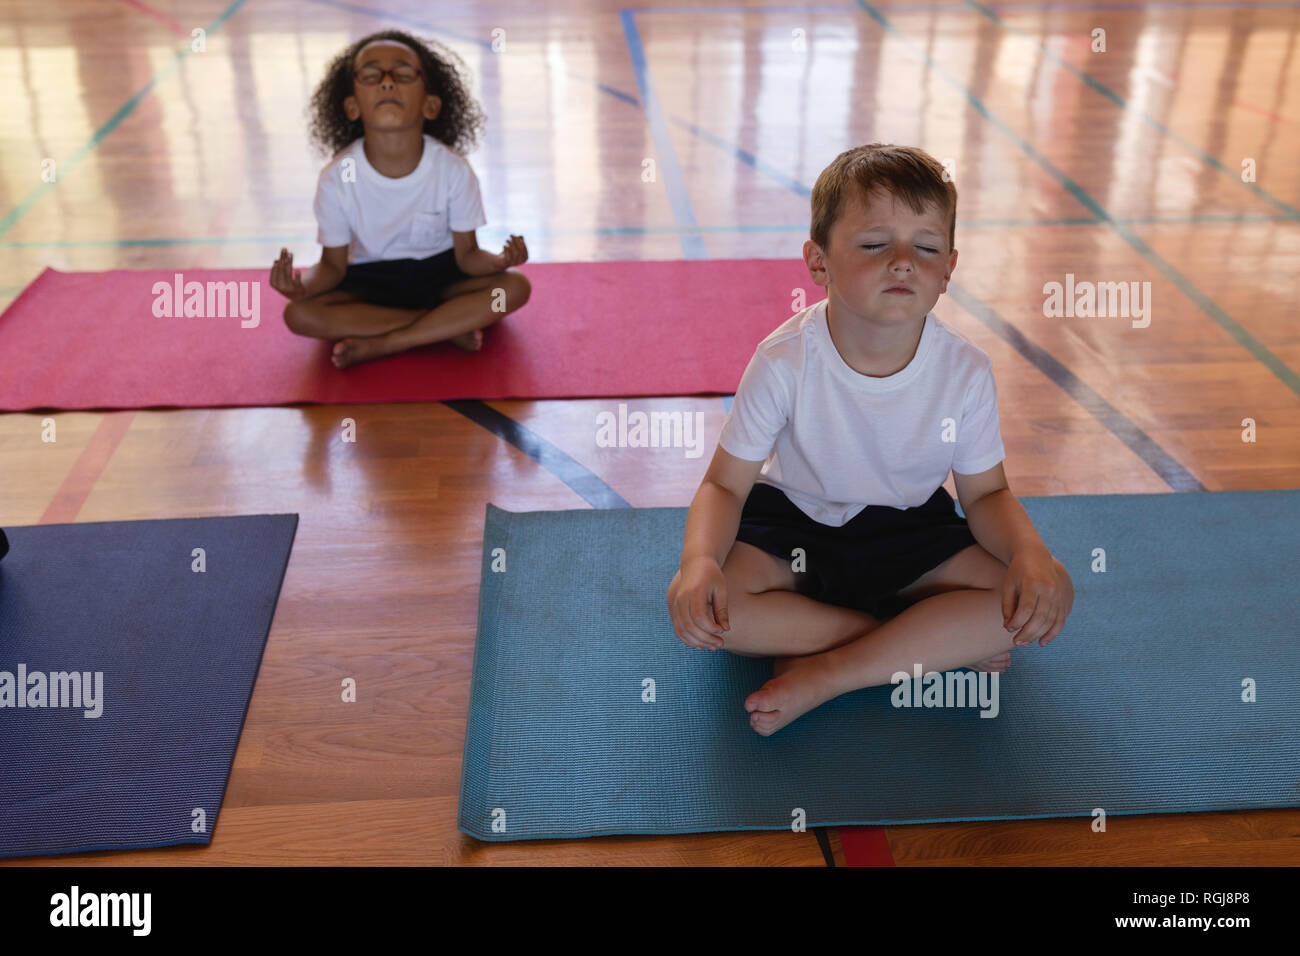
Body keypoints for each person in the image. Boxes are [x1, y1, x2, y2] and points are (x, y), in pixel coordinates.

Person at [666, 143, 1074, 736]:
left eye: (926, 246)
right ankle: (914, 644)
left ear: (949, 269)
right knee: (713, 608)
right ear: (819, 262)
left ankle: (829, 671)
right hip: (793, 527)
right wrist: (698, 563)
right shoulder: (783, 361)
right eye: (875, 244)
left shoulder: (965, 370)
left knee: (1047, 589)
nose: (904, 261)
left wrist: (1029, 555)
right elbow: (725, 485)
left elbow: (986, 496)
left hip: (908, 533)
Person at [271, 30, 530, 369]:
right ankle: (443, 326)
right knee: (299, 315)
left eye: (404, 74)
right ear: (351, 106)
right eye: (370, 75)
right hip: (368, 286)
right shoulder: (338, 177)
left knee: (512, 290)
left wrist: (498, 263)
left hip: (444, 280)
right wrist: (299, 288)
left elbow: (467, 257)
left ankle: (390, 342)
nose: (388, 83)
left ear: (430, 104)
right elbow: (333, 267)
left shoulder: (452, 170)